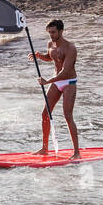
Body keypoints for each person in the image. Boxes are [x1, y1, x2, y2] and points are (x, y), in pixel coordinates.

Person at [30, 19, 79, 158]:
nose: (51, 35)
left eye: (53, 32)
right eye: (49, 32)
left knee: (68, 116)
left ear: (61, 31)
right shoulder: (50, 44)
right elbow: (51, 57)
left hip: (69, 82)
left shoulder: (70, 48)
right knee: (45, 114)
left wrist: (47, 81)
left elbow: (65, 70)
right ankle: (45, 149)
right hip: (56, 82)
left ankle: (76, 153)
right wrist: (39, 56)